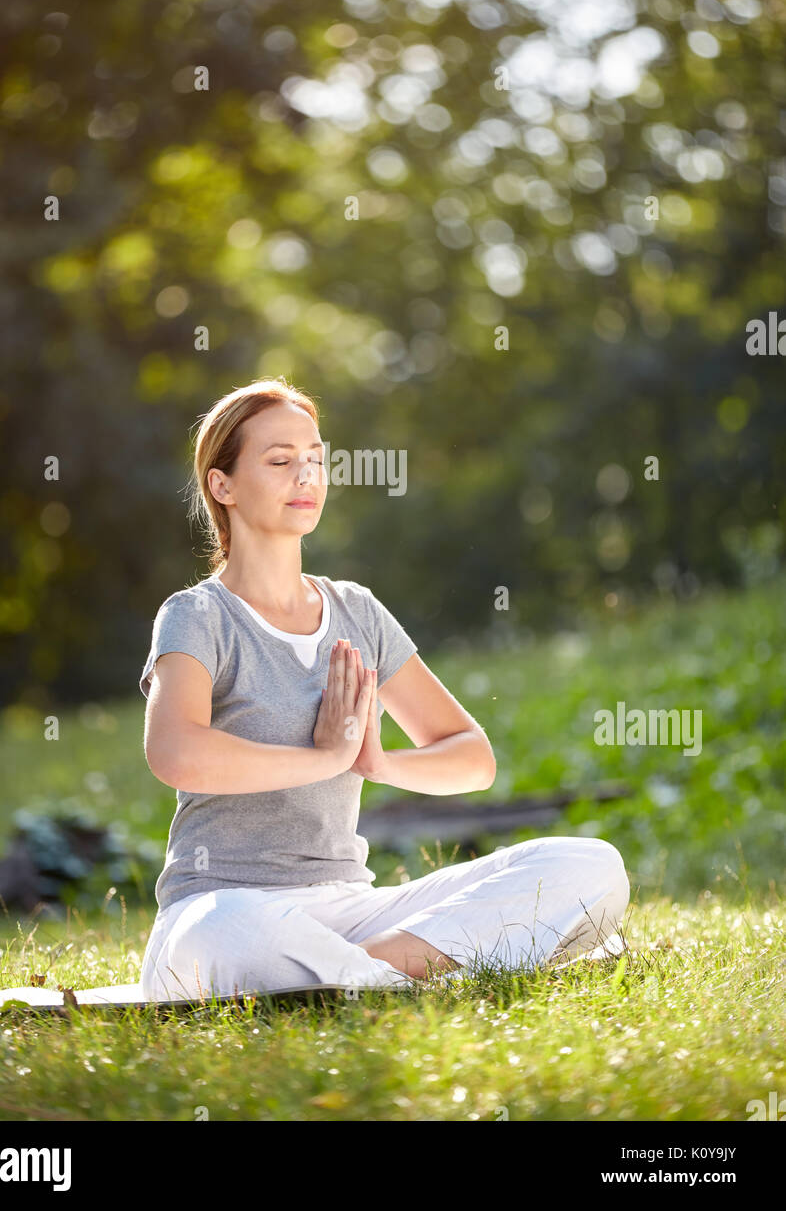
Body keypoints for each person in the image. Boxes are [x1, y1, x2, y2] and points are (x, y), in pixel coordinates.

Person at [138, 378, 630, 1001]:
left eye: (316, 459)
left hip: (350, 908)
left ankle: (363, 976)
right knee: (226, 932)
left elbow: (472, 760)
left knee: (587, 866)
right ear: (222, 484)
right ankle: (420, 970)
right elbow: (175, 752)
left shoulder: (357, 612)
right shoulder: (198, 615)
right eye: (281, 461)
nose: (307, 476)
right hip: (224, 905)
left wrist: (377, 762)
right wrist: (323, 759)